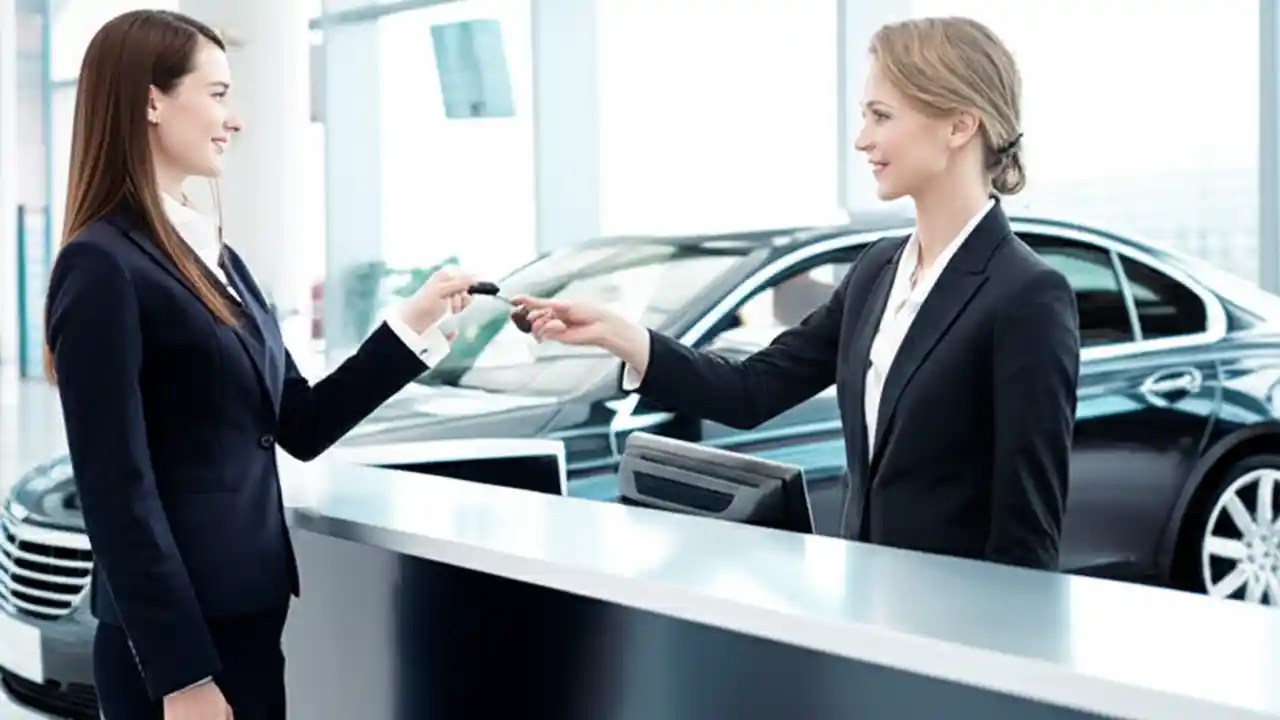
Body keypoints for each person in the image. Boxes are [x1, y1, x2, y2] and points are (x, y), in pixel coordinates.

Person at [517, 17, 1080, 571]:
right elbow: (751, 391)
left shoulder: (1027, 296)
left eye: (881, 116)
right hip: (868, 612)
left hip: (956, 631)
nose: (863, 140)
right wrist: (621, 335)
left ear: (959, 126)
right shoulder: (877, 270)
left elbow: (1026, 537)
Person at [43, 10, 475, 719]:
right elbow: (115, 490)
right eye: (216, 94)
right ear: (152, 100)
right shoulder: (101, 265)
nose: (234, 119)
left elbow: (298, 422)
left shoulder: (219, 257)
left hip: (249, 619)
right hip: (177, 650)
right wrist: (181, 677)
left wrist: (411, 326)